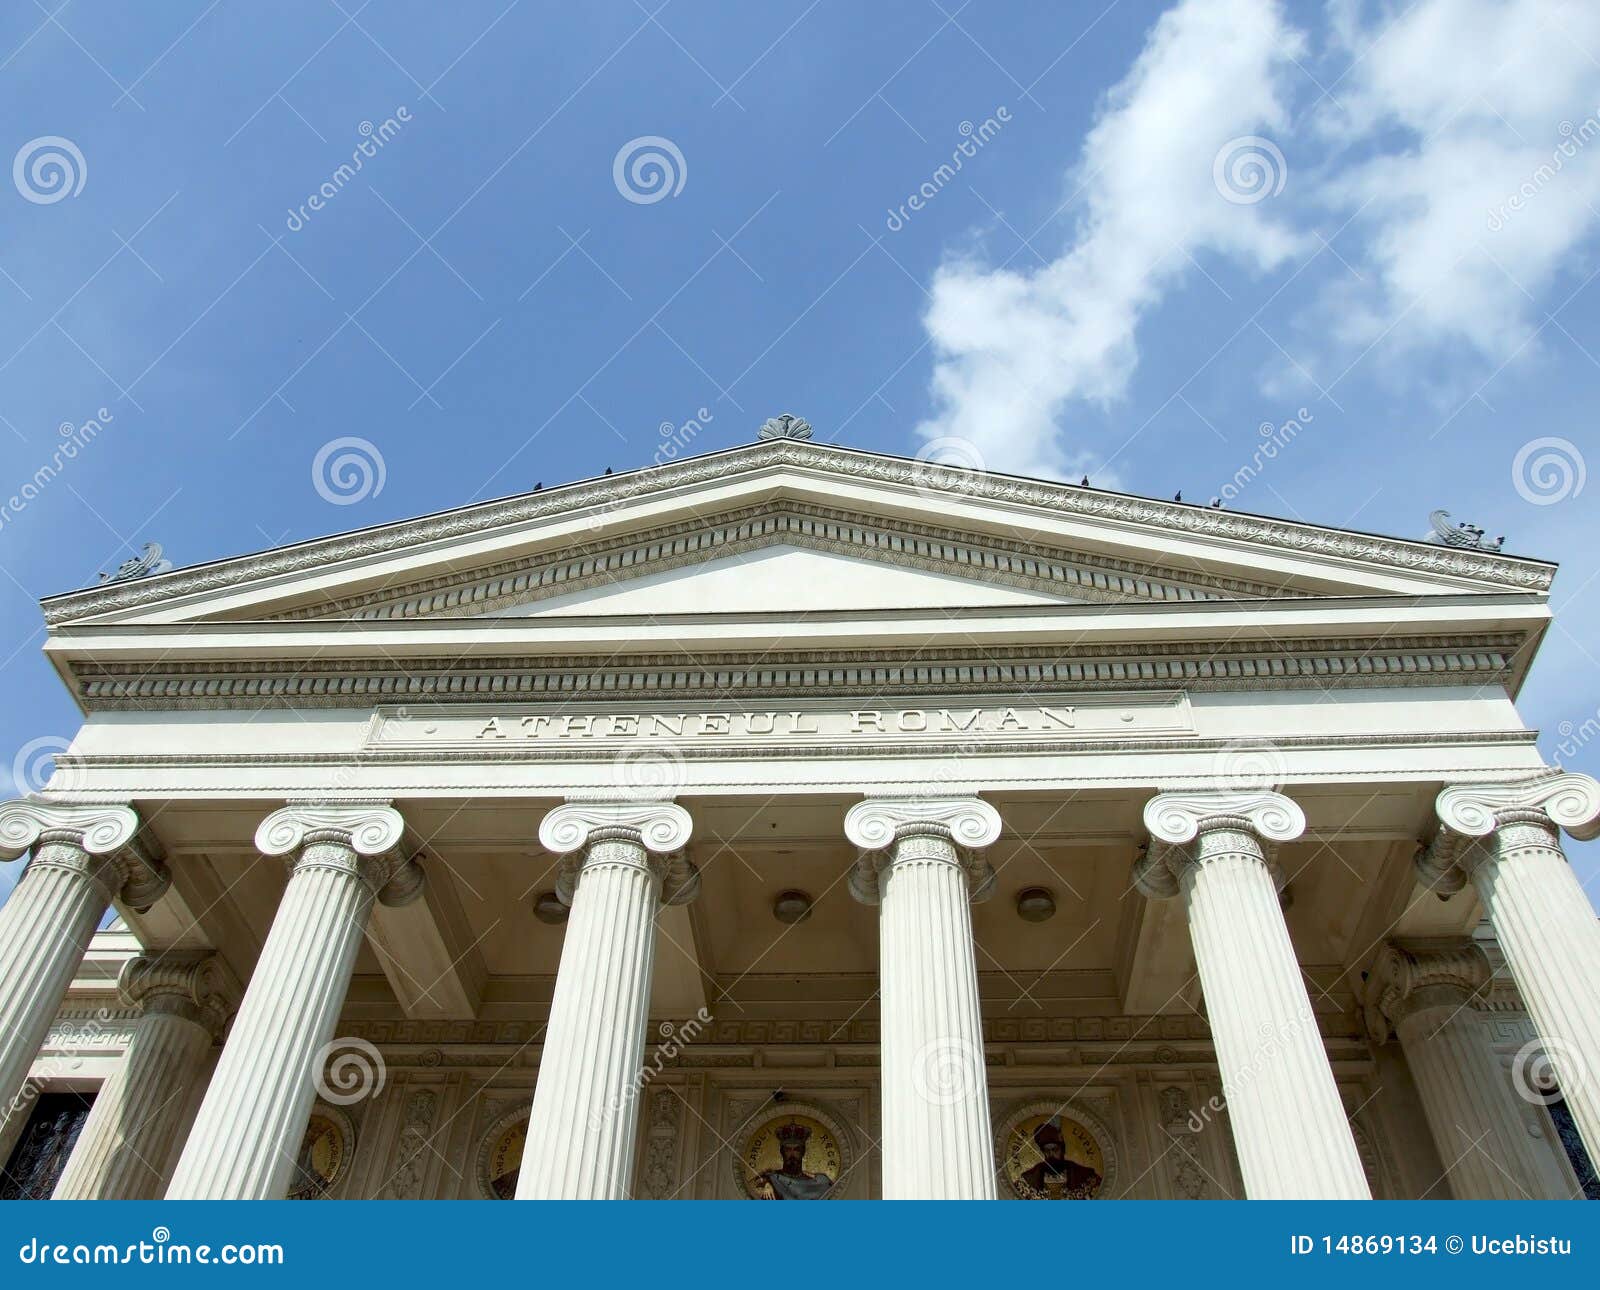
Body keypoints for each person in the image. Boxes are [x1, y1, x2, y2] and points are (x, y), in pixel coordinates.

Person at [1019, 1120, 1101, 1198]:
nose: (1051, 1154)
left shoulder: (1083, 1174)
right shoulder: (1030, 1177)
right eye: (1047, 1150)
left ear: (1063, 1150)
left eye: (1055, 1149)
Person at [753, 1122, 834, 1199]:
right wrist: (766, 1183)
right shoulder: (771, 1178)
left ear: (803, 1152)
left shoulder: (818, 1183)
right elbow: (756, 1185)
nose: (792, 1154)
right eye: (788, 1149)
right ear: (781, 1152)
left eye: (796, 1149)